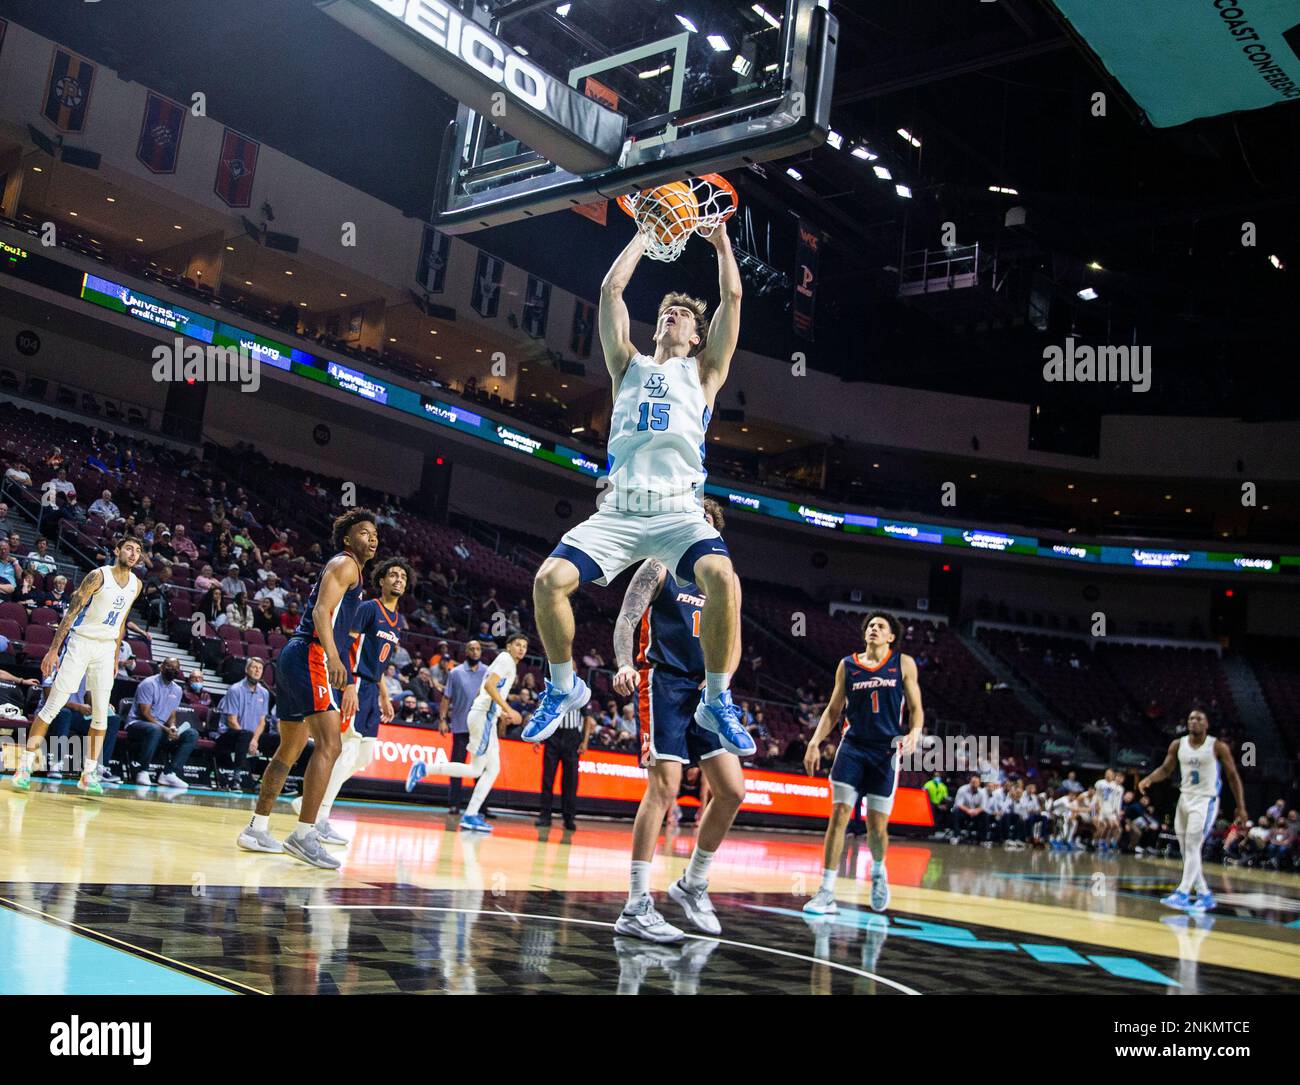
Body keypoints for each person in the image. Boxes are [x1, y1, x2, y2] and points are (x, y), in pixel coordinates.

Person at [524, 220, 750, 763]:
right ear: (656, 328)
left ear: (697, 335)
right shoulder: (627, 364)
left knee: (722, 577)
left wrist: (719, 242)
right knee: (548, 582)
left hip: (678, 512)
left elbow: (734, 295)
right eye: (668, 313)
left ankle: (716, 699)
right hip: (621, 509)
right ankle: (563, 685)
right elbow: (609, 291)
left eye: (686, 317)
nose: (675, 318)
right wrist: (647, 237)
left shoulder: (706, 373)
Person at [610, 497, 745, 942]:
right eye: (693, 518)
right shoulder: (658, 564)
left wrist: (720, 686)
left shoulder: (727, 581)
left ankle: (692, 883)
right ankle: (635, 904)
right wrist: (625, 662)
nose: (698, 525)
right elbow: (627, 617)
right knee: (664, 786)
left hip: (706, 688)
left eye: (706, 520)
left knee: (731, 790)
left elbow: (735, 643)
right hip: (662, 682)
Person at [236, 509, 377, 869]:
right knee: (331, 744)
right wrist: (332, 656)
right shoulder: (345, 564)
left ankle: (257, 827)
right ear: (348, 539)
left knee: (291, 746)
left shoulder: (353, 572)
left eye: (375, 534)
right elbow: (319, 612)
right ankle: (304, 835)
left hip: (297, 655)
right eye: (364, 533)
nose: (372, 538)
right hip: (311, 652)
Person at [801, 612, 924, 915]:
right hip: (852, 747)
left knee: (877, 827)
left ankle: (879, 874)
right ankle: (826, 891)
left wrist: (915, 732)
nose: (874, 628)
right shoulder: (848, 665)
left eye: (881, 626)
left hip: (885, 751)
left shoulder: (903, 664)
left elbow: (917, 709)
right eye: (871, 625)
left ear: (891, 637)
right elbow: (832, 710)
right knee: (839, 814)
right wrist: (815, 742)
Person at [8, 537, 142, 794]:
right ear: (117, 551)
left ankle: (88, 774)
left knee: (103, 713)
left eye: (138, 551)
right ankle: (24, 766)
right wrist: (53, 650)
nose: (133, 554)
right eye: (128, 548)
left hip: (105, 649)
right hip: (81, 642)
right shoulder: (98, 576)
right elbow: (71, 613)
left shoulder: (136, 584)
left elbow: (122, 622)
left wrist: (115, 656)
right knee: (53, 705)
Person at [292, 557, 411, 844]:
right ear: (381, 580)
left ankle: (308, 801)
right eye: (392, 574)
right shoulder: (369, 608)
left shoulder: (397, 622)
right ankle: (319, 815)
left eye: (403, 577)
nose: (398, 580)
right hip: (354, 683)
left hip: (372, 688)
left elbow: (380, 664)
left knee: (364, 756)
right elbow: (345, 644)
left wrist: (385, 695)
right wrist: (348, 685)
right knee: (347, 750)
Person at [406, 634, 528, 833]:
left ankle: (470, 813)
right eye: (517, 645)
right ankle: (426, 770)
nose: (521, 649)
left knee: (488, 769)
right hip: (483, 718)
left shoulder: (506, 663)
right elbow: (489, 687)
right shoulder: (506, 659)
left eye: (524, 646)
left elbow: (483, 691)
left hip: (485, 715)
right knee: (477, 770)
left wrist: (498, 712)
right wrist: (508, 709)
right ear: (508, 646)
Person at [1139, 709, 1247, 911]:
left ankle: (1183, 892)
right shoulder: (1178, 744)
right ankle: (1205, 894)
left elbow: (1233, 776)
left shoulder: (1217, 746)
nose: (1194, 721)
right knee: (1186, 849)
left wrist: (1241, 807)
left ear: (1207, 724)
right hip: (1184, 798)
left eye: (1199, 718)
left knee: (1192, 846)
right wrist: (1149, 779)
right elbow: (1166, 769)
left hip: (1205, 801)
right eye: (1190, 718)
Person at [125, 658, 198, 789]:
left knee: (191, 734)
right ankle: (143, 771)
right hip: (137, 724)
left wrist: (173, 727)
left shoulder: (177, 689)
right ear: (162, 667)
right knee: (154, 729)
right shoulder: (148, 684)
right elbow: (145, 714)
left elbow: (172, 714)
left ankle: (169, 773)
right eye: (170, 667)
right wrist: (165, 729)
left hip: (160, 728)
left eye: (176, 669)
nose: (173, 671)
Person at [436, 639, 487, 814]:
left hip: (480, 729)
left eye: (478, 649)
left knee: (481, 769)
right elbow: (446, 698)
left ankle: (480, 807)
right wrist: (442, 719)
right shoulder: (455, 673)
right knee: (457, 766)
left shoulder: (488, 672)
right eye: (471, 649)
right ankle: (454, 804)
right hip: (460, 726)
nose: (475, 652)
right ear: (466, 652)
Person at [214, 657, 270, 791]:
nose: (257, 671)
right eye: (254, 667)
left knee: (276, 740)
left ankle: (265, 781)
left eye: (260, 668)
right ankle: (236, 778)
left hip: (251, 738)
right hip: (228, 736)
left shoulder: (265, 693)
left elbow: (262, 722)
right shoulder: (235, 690)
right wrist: (249, 741)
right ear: (246, 669)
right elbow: (231, 721)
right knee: (244, 735)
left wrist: (254, 740)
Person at [537, 705, 592, 830]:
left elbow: (587, 717)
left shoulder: (581, 688)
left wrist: (585, 741)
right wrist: (538, 736)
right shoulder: (552, 687)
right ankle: (545, 816)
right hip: (553, 735)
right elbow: (542, 711)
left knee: (571, 781)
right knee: (548, 778)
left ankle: (569, 818)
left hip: (572, 737)